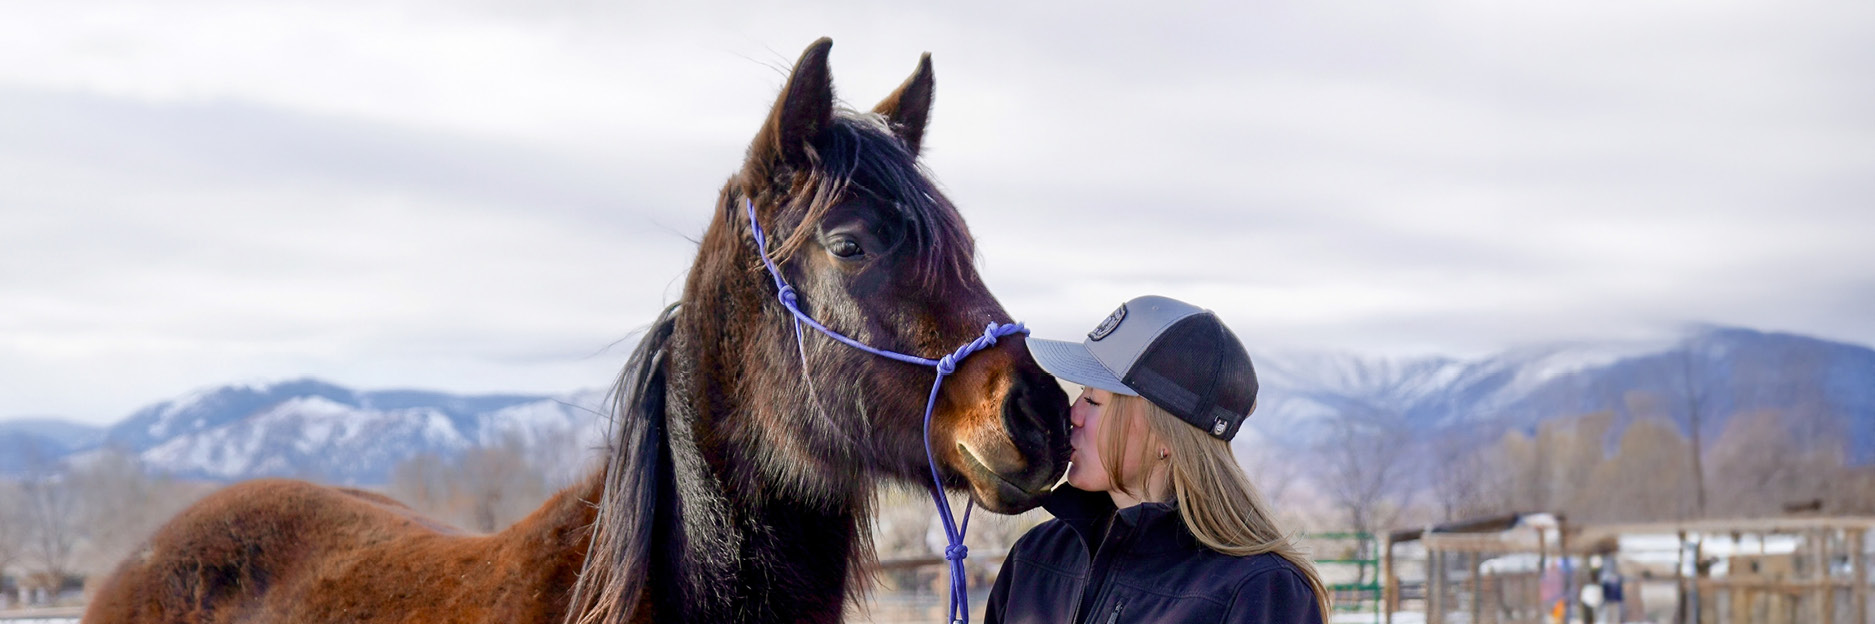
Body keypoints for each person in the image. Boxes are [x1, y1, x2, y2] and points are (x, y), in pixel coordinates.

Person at [986, 295, 1329, 624]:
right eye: (1081, 394)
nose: (1072, 414)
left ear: (1164, 435)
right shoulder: (1035, 558)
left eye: (1094, 401)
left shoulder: (1260, 592)